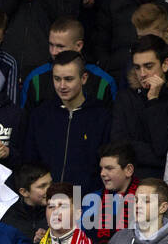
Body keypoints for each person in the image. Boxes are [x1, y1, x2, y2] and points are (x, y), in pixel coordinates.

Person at [22, 51, 112, 192]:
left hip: (86, 201)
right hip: (47, 200)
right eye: (57, 79)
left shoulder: (101, 117)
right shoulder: (40, 115)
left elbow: (106, 165)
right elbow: (30, 161)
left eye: (69, 79)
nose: (62, 86)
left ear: (84, 78)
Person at [111, 35, 168, 181]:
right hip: (130, 184)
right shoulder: (125, 98)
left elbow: (166, 149)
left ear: (165, 64)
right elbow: (119, 146)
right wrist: (157, 155)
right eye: (137, 67)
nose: (142, 74)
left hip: (165, 183)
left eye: (148, 66)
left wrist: (154, 100)